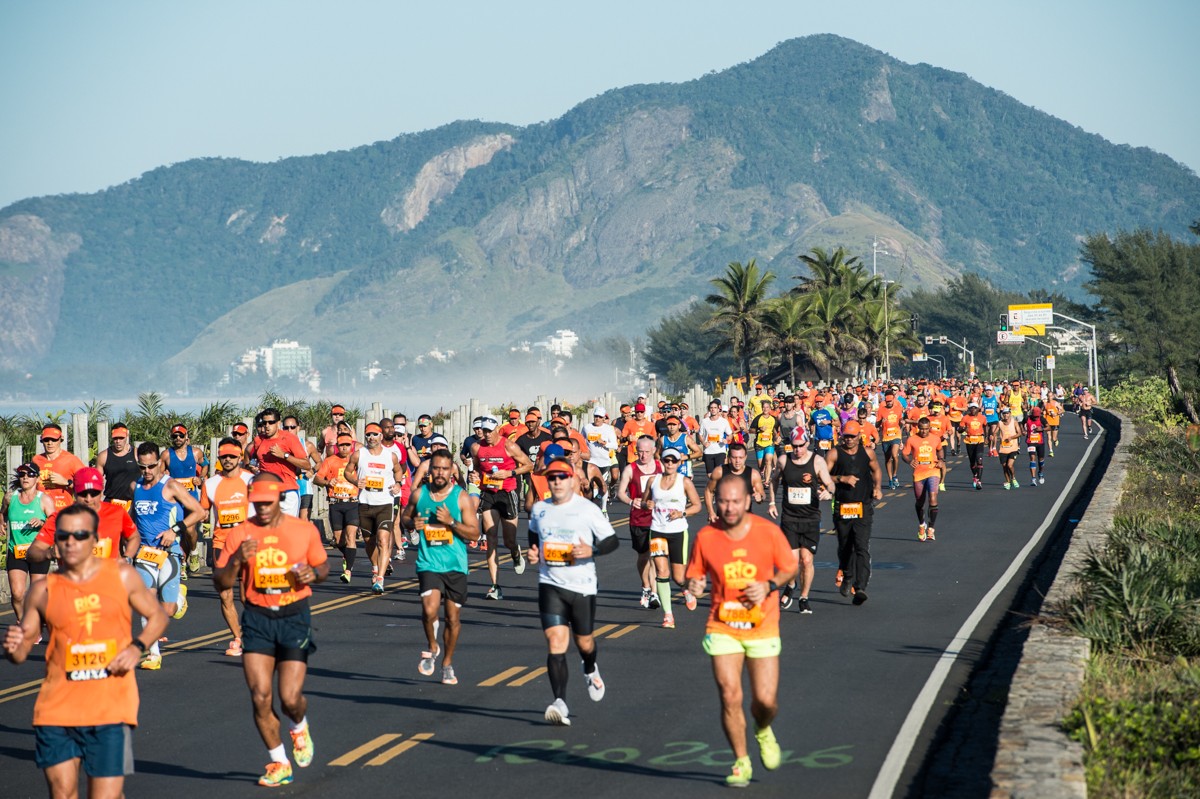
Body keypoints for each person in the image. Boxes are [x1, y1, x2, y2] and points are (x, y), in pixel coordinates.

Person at [3, 505, 168, 799]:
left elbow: (157, 616)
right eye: (63, 535)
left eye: (79, 535)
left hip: (110, 710)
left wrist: (137, 647)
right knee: (63, 794)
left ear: (95, 539)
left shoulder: (121, 575)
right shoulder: (42, 590)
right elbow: (21, 650)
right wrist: (15, 647)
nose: (70, 542)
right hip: (56, 711)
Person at [213, 474, 329, 788]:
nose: (262, 508)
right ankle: (279, 762)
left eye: (268, 502)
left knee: (289, 698)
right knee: (260, 697)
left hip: (293, 617)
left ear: (279, 499)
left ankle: (299, 726)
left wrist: (313, 574)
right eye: (256, 503)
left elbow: (322, 566)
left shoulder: (302, 530)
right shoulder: (240, 533)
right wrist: (237, 561)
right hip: (257, 619)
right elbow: (220, 582)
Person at [685, 473, 799, 787]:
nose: (730, 507)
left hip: (762, 625)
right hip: (722, 625)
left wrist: (769, 585)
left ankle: (763, 729)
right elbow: (694, 577)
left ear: (748, 501)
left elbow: (791, 567)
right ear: (716, 502)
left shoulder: (767, 532)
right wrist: (692, 585)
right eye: (723, 501)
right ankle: (741, 761)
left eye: (736, 501)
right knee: (730, 695)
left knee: (765, 702)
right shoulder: (706, 536)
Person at [526, 458, 620, 726]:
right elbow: (534, 534)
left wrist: (593, 550)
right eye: (551, 478)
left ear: (572, 480)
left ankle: (590, 667)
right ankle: (560, 702)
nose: (555, 482)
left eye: (560, 477)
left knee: (584, 643)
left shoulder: (586, 509)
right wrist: (534, 551)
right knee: (556, 642)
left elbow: (612, 540)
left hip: (582, 586)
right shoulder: (540, 509)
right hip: (550, 584)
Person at [400, 450, 480, 686]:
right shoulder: (419, 495)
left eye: (445, 468)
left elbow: (474, 532)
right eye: (436, 468)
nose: (440, 473)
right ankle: (432, 646)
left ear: (452, 471)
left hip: (455, 565)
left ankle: (447, 663)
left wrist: (451, 523)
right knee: (429, 609)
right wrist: (411, 524)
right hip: (429, 563)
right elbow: (405, 516)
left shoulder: (461, 497)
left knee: (453, 619)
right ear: (429, 470)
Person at [131, 442, 205, 669]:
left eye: (152, 466)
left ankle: (180, 598)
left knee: (168, 611)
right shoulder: (135, 487)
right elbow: (133, 518)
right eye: (143, 467)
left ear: (160, 464)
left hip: (168, 552)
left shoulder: (170, 486)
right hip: (144, 553)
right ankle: (153, 655)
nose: (147, 471)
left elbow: (200, 512)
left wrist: (174, 531)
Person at [768, 428, 835, 614]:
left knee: (806, 560)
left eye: (801, 446)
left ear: (807, 443)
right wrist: (772, 502)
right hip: (789, 517)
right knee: (791, 562)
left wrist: (829, 491)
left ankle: (804, 597)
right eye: (794, 446)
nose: (797, 450)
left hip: (810, 518)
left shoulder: (817, 461)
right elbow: (773, 480)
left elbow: (829, 482)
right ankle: (791, 584)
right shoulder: (783, 460)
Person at [200, 438, 255, 656]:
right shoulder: (211, 484)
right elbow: (203, 512)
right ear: (220, 459)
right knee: (225, 595)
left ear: (240, 457)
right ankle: (238, 638)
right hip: (221, 543)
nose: (229, 460)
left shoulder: (251, 481)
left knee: (248, 595)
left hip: (247, 543)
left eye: (232, 456)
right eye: (224, 457)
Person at [471, 415, 534, 601]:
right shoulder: (477, 447)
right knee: (491, 537)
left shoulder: (509, 446)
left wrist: (510, 472)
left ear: (497, 429)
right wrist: (474, 477)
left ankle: (515, 553)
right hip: (488, 494)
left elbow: (529, 465)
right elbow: (476, 468)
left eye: (490, 431)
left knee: (508, 541)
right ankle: (494, 585)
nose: (487, 434)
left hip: (507, 493)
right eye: (484, 431)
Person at [30, 467, 140, 565]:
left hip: (109, 583)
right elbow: (33, 552)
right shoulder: (61, 517)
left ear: (101, 492)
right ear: (75, 493)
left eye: (94, 493)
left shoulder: (117, 512)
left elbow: (134, 537)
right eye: (83, 494)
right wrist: (49, 553)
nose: (88, 499)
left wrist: (127, 558)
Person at [342, 423, 405, 594]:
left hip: (385, 503)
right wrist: (356, 481)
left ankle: (380, 579)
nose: (371, 438)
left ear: (380, 436)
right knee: (369, 542)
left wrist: (398, 484)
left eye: (374, 435)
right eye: (368, 435)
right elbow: (347, 472)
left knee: (383, 540)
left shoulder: (390, 456)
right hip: (365, 503)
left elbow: (399, 471)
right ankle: (376, 566)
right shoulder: (358, 455)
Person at [826, 421, 883, 604]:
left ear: (859, 436)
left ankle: (860, 587)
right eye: (846, 436)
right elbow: (823, 476)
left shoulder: (868, 453)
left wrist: (878, 488)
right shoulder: (835, 453)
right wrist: (841, 478)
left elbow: (876, 470)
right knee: (845, 546)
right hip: (842, 506)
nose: (849, 440)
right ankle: (847, 574)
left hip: (863, 506)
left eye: (852, 436)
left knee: (861, 546)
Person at [646, 450, 703, 629]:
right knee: (662, 573)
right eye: (667, 460)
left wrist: (682, 513)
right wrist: (647, 504)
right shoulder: (653, 480)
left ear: (679, 463)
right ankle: (668, 615)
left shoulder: (684, 482)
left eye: (673, 461)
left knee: (678, 576)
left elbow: (697, 505)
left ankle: (685, 589)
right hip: (657, 530)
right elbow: (644, 501)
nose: (670, 464)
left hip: (678, 531)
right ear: (662, 461)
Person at [2, 462, 56, 620]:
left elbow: (55, 523)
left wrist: (41, 522)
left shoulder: (44, 500)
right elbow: (2, 512)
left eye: (30, 474)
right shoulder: (10, 498)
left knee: (37, 593)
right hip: (16, 551)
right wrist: (2, 523)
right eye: (22, 474)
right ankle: (22, 621)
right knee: (17, 594)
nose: (25, 478)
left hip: (38, 551)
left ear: (37, 478)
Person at [616, 436, 662, 609]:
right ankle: (646, 586)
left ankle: (654, 593)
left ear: (654, 451)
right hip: (638, 519)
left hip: (658, 519)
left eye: (646, 452)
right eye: (640, 452)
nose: (643, 455)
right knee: (644, 556)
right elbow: (620, 492)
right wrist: (631, 501)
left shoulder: (661, 467)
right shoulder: (630, 468)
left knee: (656, 556)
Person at [312, 433, 360, 584]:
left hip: (352, 502)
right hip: (335, 503)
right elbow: (317, 478)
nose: (344, 448)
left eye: (347, 445)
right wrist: (327, 482)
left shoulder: (357, 460)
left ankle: (348, 571)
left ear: (351, 446)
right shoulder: (330, 460)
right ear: (337, 446)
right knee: (339, 540)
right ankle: (348, 555)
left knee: (351, 536)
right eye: (341, 445)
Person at [248, 409, 311, 517]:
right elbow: (253, 457)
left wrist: (284, 456)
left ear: (278, 423)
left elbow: (307, 465)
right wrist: (252, 466)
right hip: (266, 491)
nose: (267, 426)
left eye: (271, 422)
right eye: (264, 422)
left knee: (286, 531)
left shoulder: (289, 438)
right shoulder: (258, 440)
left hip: (287, 491)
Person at [901, 417, 943, 542]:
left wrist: (941, 460)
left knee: (933, 498)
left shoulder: (935, 438)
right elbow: (904, 454)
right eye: (922, 429)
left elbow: (940, 450)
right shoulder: (912, 439)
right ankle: (921, 524)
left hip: (933, 470)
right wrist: (909, 461)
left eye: (926, 429)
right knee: (920, 501)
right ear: (918, 428)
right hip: (919, 474)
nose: (924, 431)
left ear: (929, 428)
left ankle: (931, 528)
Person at [703, 443, 765, 524]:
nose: (738, 461)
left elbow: (762, 494)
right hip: (723, 521)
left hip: (745, 521)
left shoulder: (753, 474)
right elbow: (708, 491)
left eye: (741, 457)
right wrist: (711, 513)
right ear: (729, 457)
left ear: (745, 457)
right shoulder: (719, 472)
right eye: (734, 457)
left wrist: (760, 497)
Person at [33, 424, 85, 511]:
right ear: (41, 440)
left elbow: (86, 485)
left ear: (61, 439)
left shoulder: (71, 460)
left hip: (63, 512)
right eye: (46, 440)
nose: (50, 443)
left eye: (54, 439)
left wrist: (66, 482)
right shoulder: (36, 460)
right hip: (40, 513)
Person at [96, 424, 138, 511]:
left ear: (127, 435)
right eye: (115, 438)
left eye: (121, 438)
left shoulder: (136, 454)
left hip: (132, 503)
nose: (118, 441)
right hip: (111, 502)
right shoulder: (103, 456)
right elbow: (97, 482)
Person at [699, 400, 733, 476]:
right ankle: (715, 487)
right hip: (708, 451)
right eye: (711, 408)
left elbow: (730, 434)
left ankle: (718, 487)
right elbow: (700, 435)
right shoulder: (704, 421)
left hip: (720, 450)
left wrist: (726, 440)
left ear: (718, 409)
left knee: (719, 473)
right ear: (709, 409)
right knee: (710, 475)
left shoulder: (724, 421)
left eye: (715, 408)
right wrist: (703, 443)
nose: (713, 409)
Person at [961, 402, 989, 490]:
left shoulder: (982, 417)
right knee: (972, 462)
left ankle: (979, 482)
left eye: (975, 408)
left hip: (979, 440)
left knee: (979, 459)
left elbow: (986, 426)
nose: (973, 410)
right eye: (971, 408)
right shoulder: (965, 418)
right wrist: (962, 429)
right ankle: (975, 475)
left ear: (978, 409)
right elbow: (959, 430)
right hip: (969, 441)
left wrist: (987, 437)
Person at [996, 407, 1022, 490]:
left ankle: (1013, 478)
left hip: (1013, 448)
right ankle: (1007, 481)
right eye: (1004, 413)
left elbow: (1019, 433)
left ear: (1010, 414)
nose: (1006, 415)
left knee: (1009, 465)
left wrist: (1011, 437)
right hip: (1003, 448)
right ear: (1002, 415)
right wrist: (991, 436)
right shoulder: (1000, 423)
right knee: (1004, 466)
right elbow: (994, 432)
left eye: (1007, 413)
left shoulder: (1014, 422)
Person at [1024, 405, 1048, 486]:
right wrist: (1023, 430)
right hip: (1030, 441)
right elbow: (1021, 424)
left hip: (1040, 442)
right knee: (1032, 458)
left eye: (1037, 416)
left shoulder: (1042, 419)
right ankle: (1033, 479)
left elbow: (1049, 427)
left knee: (1041, 460)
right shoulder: (1027, 418)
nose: (1036, 418)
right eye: (1035, 417)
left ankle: (1040, 472)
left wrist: (1042, 429)